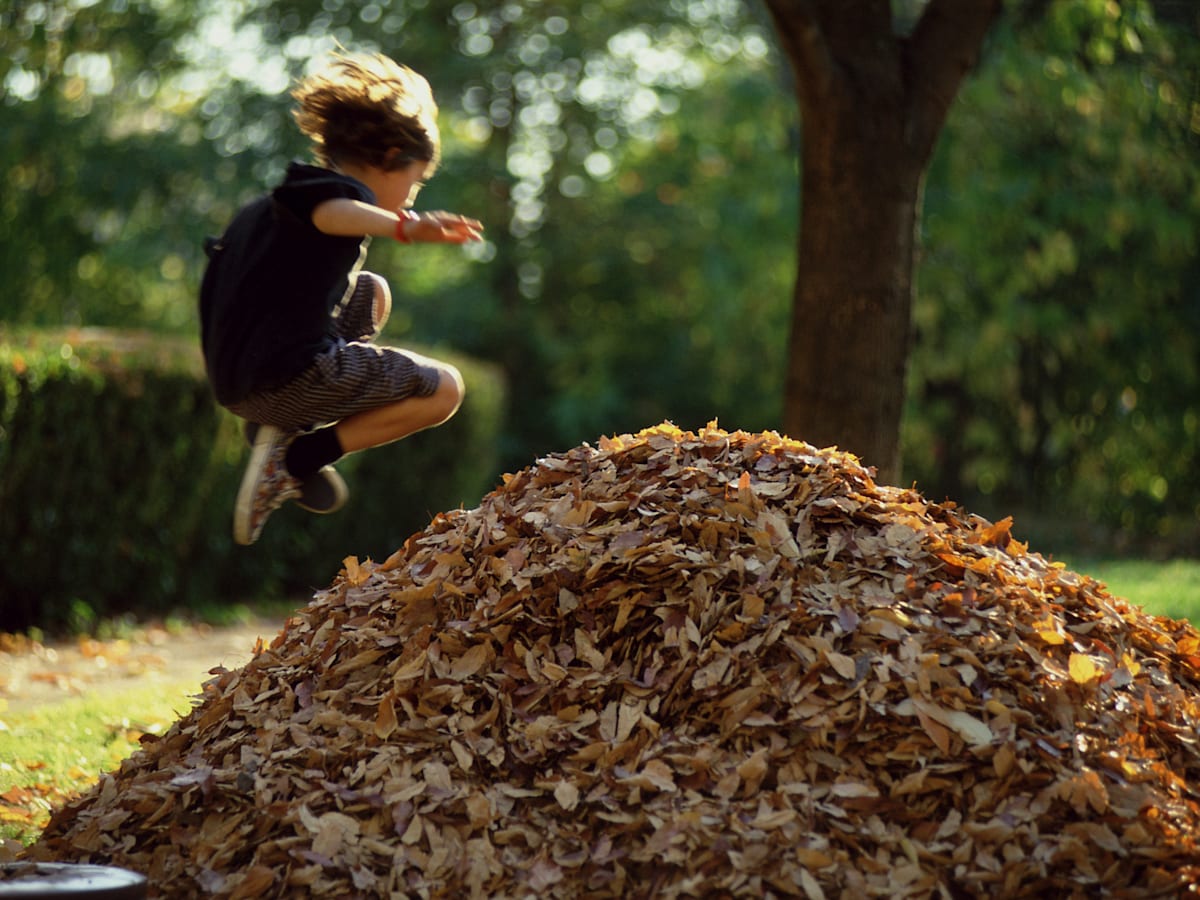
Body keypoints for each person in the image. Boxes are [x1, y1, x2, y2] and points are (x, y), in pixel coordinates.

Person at [199, 52, 483, 545]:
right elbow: (332, 214)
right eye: (415, 182)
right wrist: (407, 227)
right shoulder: (327, 198)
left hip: (239, 380)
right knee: (445, 391)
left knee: (371, 291)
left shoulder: (270, 207)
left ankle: (281, 429)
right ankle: (297, 460)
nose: (411, 198)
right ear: (391, 156)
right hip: (285, 378)